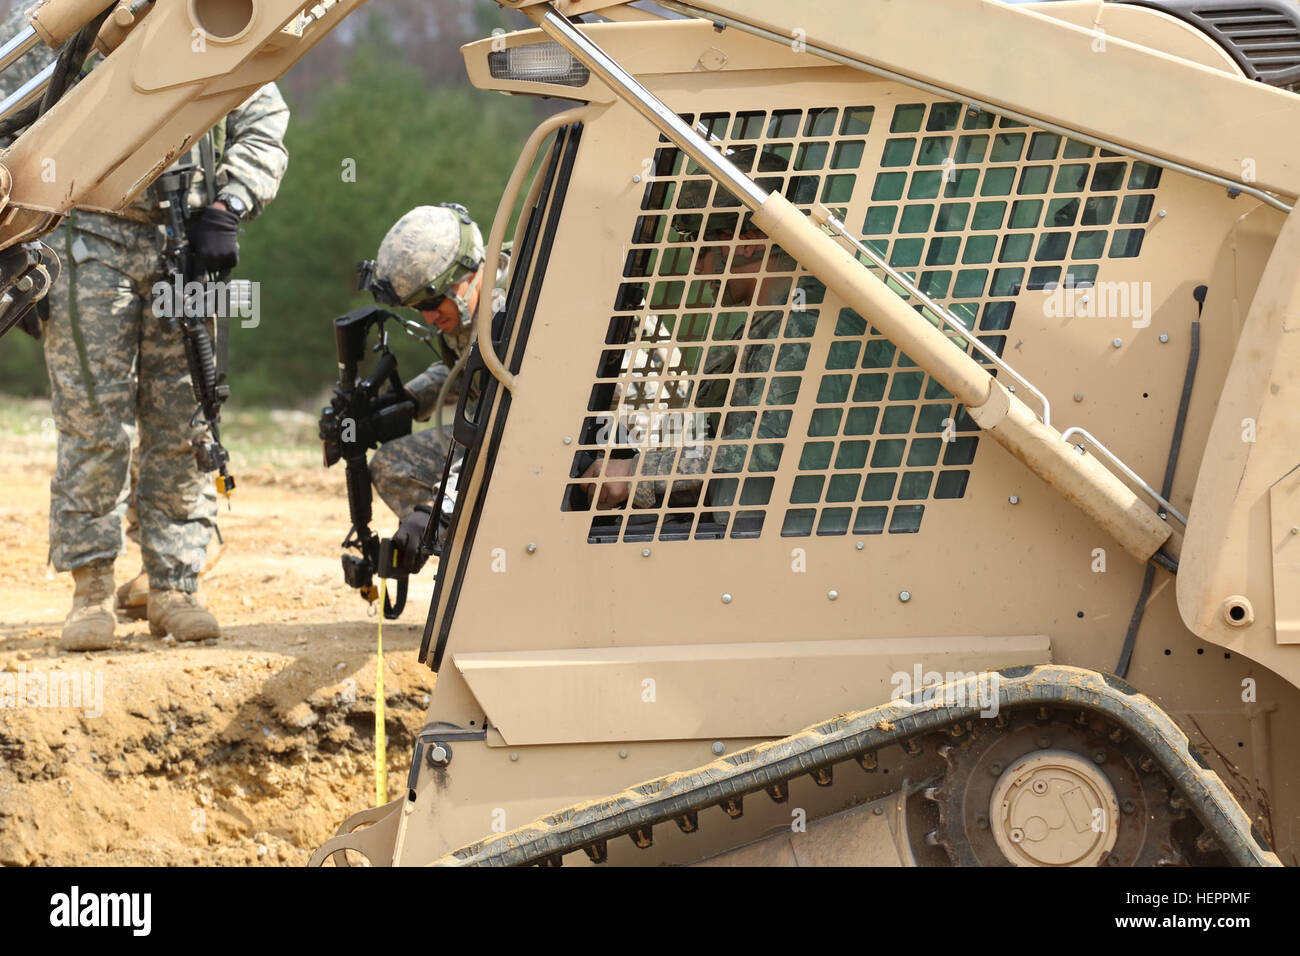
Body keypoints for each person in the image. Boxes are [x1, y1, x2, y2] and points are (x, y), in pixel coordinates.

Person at [0, 8, 290, 649]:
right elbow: (11, 123)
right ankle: (92, 590)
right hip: (87, 237)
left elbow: (261, 120)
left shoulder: (211, 22)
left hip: (184, 238)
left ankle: (175, 586)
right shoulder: (78, 27)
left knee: (183, 420)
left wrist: (230, 203)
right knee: (93, 421)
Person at [360, 203, 509, 548]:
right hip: (516, 438)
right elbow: (467, 370)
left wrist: (441, 509)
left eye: (430, 305)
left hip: (609, 448)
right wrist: (408, 400)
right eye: (417, 309)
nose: (428, 319)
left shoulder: (519, 319)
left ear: (468, 275)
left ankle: (488, 561)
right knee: (393, 464)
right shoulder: (473, 307)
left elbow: (512, 434)